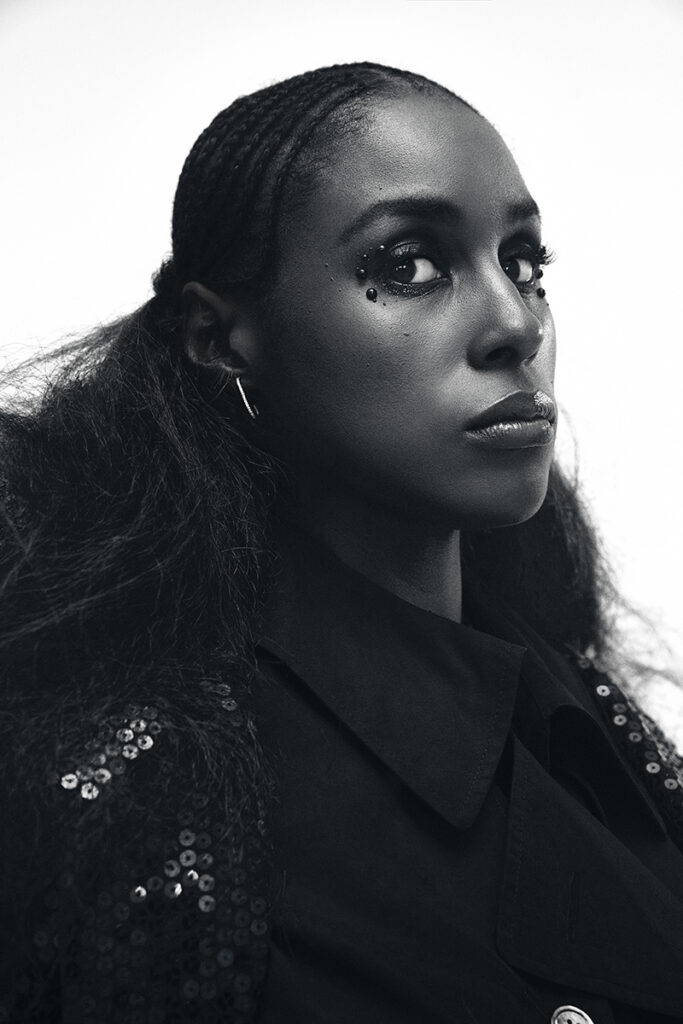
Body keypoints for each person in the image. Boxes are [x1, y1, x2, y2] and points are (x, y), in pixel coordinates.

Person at [1, 61, 682, 1024]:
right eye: (408, 265)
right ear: (219, 340)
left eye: (525, 263)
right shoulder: (159, 809)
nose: (513, 324)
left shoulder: (588, 724)